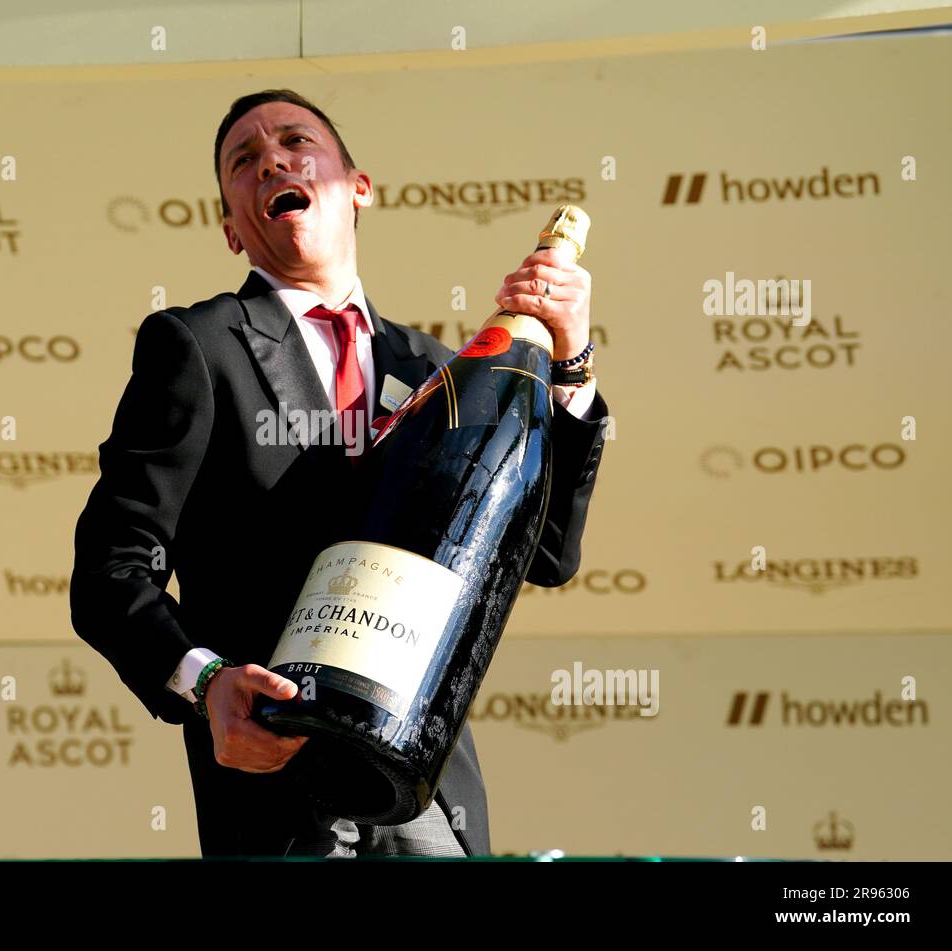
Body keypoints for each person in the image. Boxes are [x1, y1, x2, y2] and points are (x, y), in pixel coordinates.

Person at [71, 89, 609, 858]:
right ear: (230, 227)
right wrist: (207, 679)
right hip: (275, 790)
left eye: (296, 141)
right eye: (244, 161)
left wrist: (571, 363)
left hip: (425, 795)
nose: (273, 161)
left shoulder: (441, 368)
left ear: (358, 188)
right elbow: (110, 570)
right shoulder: (195, 346)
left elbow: (547, 554)